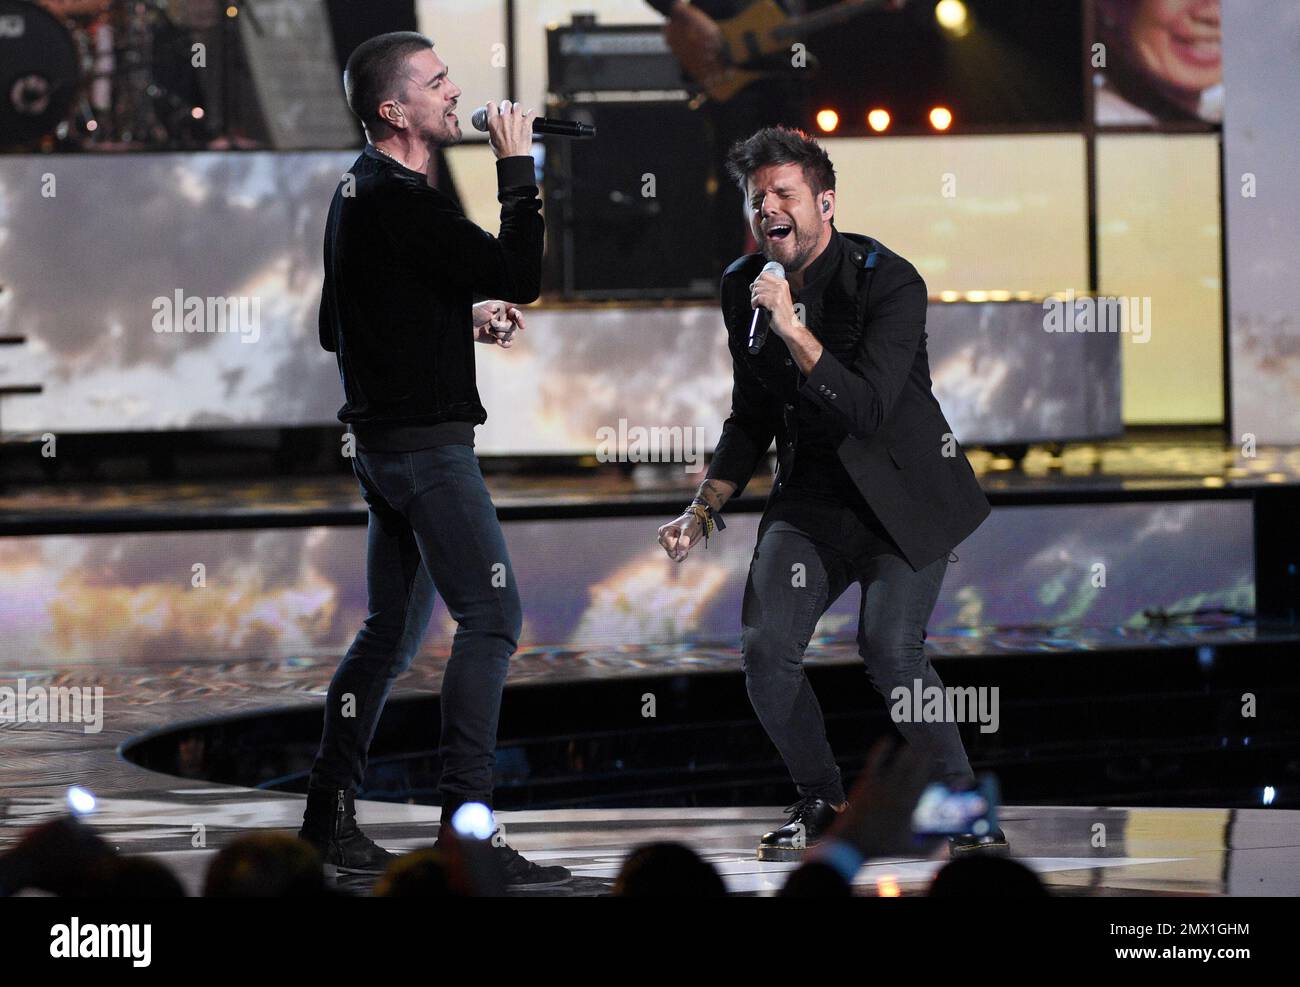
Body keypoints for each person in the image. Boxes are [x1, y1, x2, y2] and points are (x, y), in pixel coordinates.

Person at [656, 126, 1004, 861]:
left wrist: (790, 326)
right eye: (758, 198)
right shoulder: (741, 287)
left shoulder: (889, 280)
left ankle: (967, 809)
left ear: (826, 202)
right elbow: (750, 416)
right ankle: (822, 800)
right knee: (765, 648)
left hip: (904, 499)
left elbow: (870, 406)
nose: (767, 208)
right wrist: (703, 509)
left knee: (889, 647)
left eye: (783, 193)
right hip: (812, 500)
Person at [303, 31, 569, 888]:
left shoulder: (361, 191)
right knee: (491, 620)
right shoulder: (404, 200)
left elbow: (337, 321)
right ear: (396, 110)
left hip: (386, 453)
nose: (456, 92)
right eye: (438, 82)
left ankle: (327, 814)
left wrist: (460, 314)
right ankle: (469, 833)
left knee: (391, 631)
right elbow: (521, 272)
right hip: (425, 454)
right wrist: (518, 165)